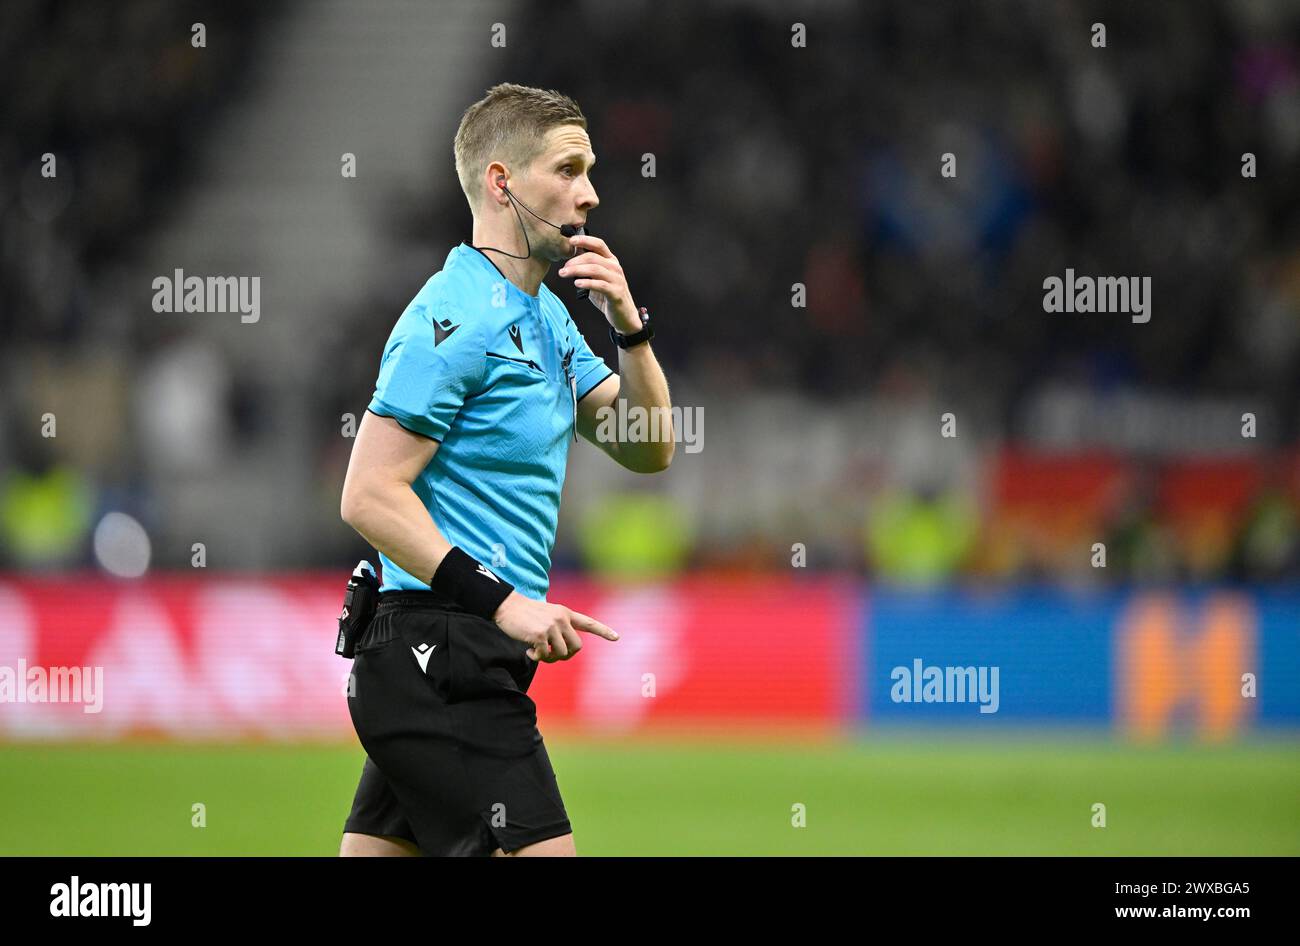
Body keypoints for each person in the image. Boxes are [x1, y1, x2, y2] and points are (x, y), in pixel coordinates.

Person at [338, 83, 674, 856]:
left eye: (589, 171)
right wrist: (504, 604)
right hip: (440, 650)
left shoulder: (546, 315)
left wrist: (632, 331)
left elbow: (646, 447)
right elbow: (366, 494)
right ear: (501, 183)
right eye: (567, 169)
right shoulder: (450, 318)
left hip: (450, 653)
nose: (589, 193)